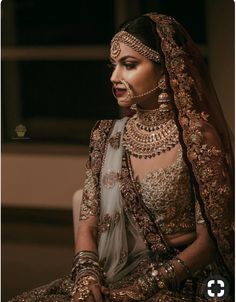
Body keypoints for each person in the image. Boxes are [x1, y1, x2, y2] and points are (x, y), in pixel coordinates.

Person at [10, 12, 234, 302]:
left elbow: (210, 242)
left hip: (180, 280)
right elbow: (88, 224)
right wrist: (87, 276)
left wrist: (143, 288)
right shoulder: (105, 135)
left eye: (129, 65)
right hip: (111, 274)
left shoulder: (196, 136)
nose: (114, 77)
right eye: (113, 65)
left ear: (164, 69)